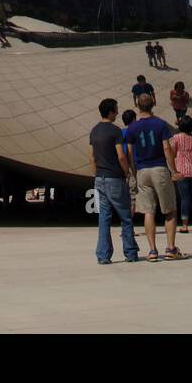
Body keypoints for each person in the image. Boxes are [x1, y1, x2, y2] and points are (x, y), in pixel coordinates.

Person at [124, 93, 185, 261]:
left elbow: (129, 151)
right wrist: (173, 170)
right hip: (159, 168)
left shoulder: (132, 128)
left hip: (142, 171)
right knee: (170, 210)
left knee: (148, 211)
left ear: (137, 105)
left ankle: (152, 251)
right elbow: (166, 148)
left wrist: (133, 171)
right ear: (153, 105)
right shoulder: (160, 124)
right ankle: (171, 248)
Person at [88, 98, 139, 264]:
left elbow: (92, 156)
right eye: (116, 110)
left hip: (100, 178)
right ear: (110, 112)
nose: (117, 112)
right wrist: (127, 172)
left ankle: (103, 255)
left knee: (104, 218)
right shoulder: (115, 131)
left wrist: (96, 173)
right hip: (114, 178)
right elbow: (122, 156)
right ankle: (130, 252)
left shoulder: (94, 131)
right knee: (125, 216)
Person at [170, 116, 192, 233]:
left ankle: (185, 225)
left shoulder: (176, 137)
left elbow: (173, 153)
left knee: (185, 198)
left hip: (181, 171)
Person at [120, 109, 139, 215]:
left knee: (128, 196)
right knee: (133, 197)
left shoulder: (121, 132)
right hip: (136, 166)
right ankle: (129, 224)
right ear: (133, 119)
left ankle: (128, 223)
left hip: (124, 168)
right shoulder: (138, 132)